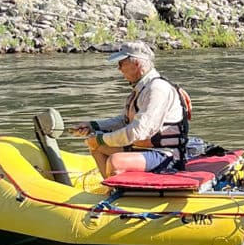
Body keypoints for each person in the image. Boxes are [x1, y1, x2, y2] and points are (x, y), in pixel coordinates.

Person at [68, 41, 190, 179]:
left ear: (136, 64)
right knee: (95, 146)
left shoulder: (157, 89)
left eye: (121, 63)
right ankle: (111, 190)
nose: (119, 68)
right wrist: (92, 126)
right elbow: (124, 121)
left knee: (115, 161)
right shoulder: (140, 89)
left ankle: (119, 195)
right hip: (145, 150)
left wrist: (102, 139)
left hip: (166, 156)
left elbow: (138, 131)